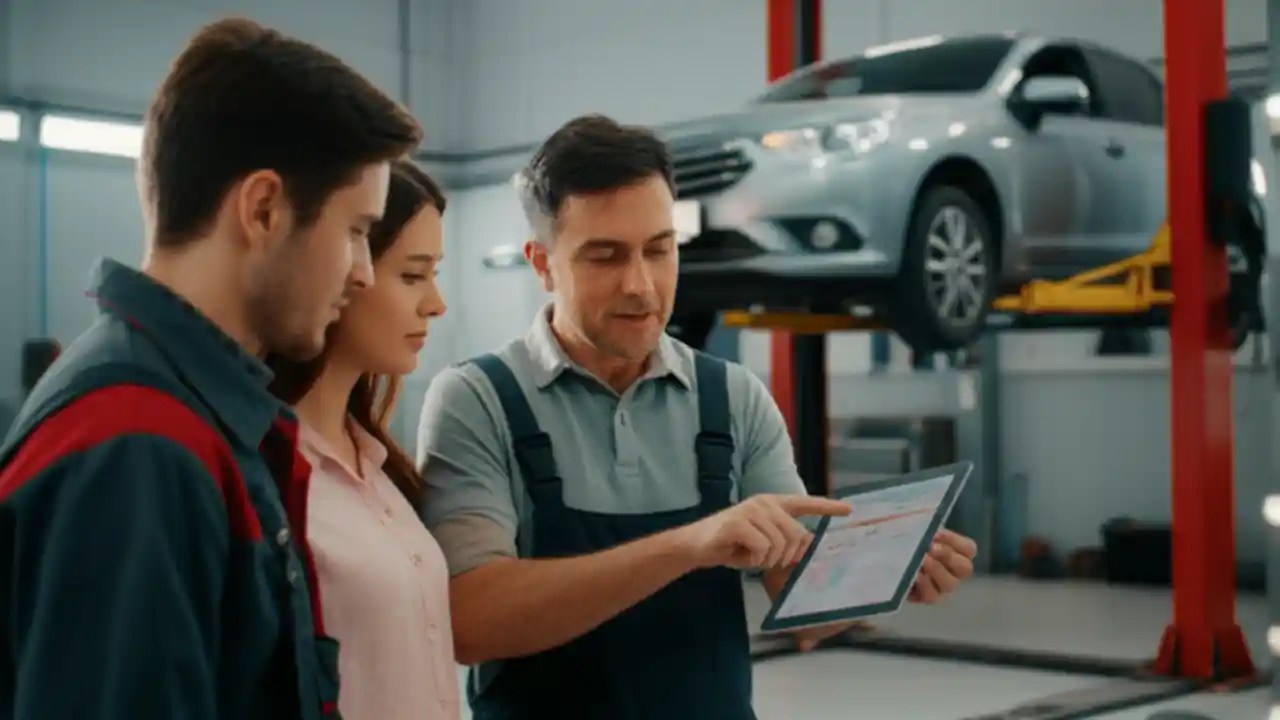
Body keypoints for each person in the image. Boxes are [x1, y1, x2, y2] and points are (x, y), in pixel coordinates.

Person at [416, 114, 979, 719]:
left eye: (660, 250)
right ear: (542, 263)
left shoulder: (732, 398)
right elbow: (471, 619)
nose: (641, 285)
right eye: (605, 256)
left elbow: (804, 604)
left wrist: (886, 573)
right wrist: (691, 545)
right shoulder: (478, 401)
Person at [0, 17, 421, 720]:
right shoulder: (141, 447)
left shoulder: (196, 420)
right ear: (262, 210)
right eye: (354, 231)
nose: (362, 273)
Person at [266, 159, 458, 720]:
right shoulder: (270, 469)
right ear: (344, 268)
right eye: (413, 275)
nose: (437, 303)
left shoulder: (378, 466)